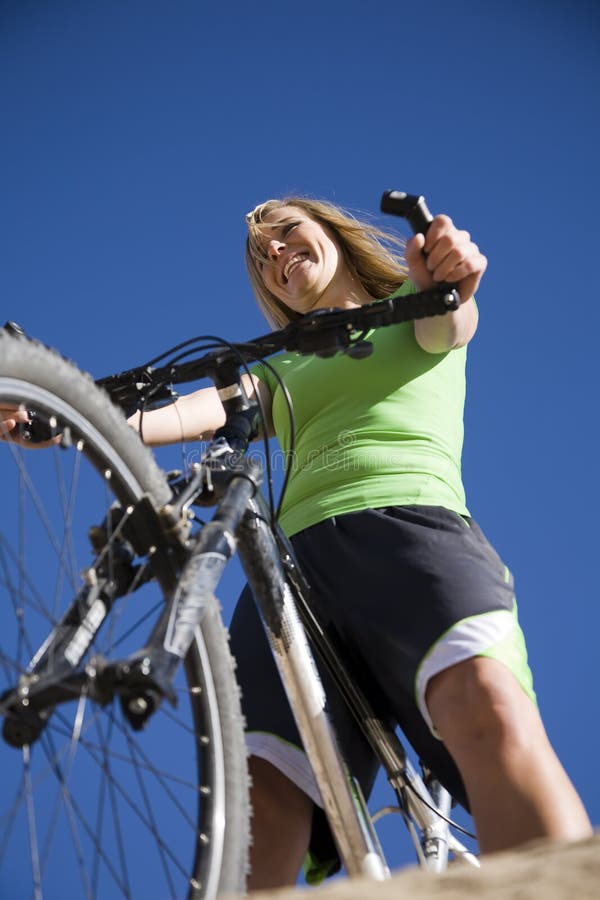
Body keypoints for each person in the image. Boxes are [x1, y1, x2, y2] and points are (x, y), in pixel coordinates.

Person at [1, 197, 592, 890]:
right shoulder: (279, 373)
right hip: (292, 577)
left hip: (407, 536)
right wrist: (61, 419)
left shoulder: (412, 305)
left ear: (334, 233)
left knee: (484, 709)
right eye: (262, 258)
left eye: (285, 234)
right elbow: (173, 416)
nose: (276, 254)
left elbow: (452, 316)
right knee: (261, 798)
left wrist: (450, 275)